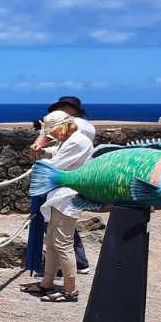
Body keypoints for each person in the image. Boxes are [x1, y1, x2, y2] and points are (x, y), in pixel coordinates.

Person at [22, 111, 92, 302]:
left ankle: (70, 290)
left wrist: (40, 158)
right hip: (61, 196)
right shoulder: (71, 139)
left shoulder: (77, 141)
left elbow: (56, 164)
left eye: (51, 132)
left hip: (68, 196)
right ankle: (47, 283)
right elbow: (59, 153)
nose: (51, 136)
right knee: (52, 241)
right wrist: (44, 151)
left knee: (63, 243)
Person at [35, 96, 93, 273]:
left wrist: (42, 135)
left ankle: (69, 274)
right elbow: (60, 148)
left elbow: (55, 161)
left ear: (68, 109)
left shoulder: (77, 132)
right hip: (67, 186)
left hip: (65, 188)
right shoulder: (82, 129)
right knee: (63, 231)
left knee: (61, 237)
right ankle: (73, 264)